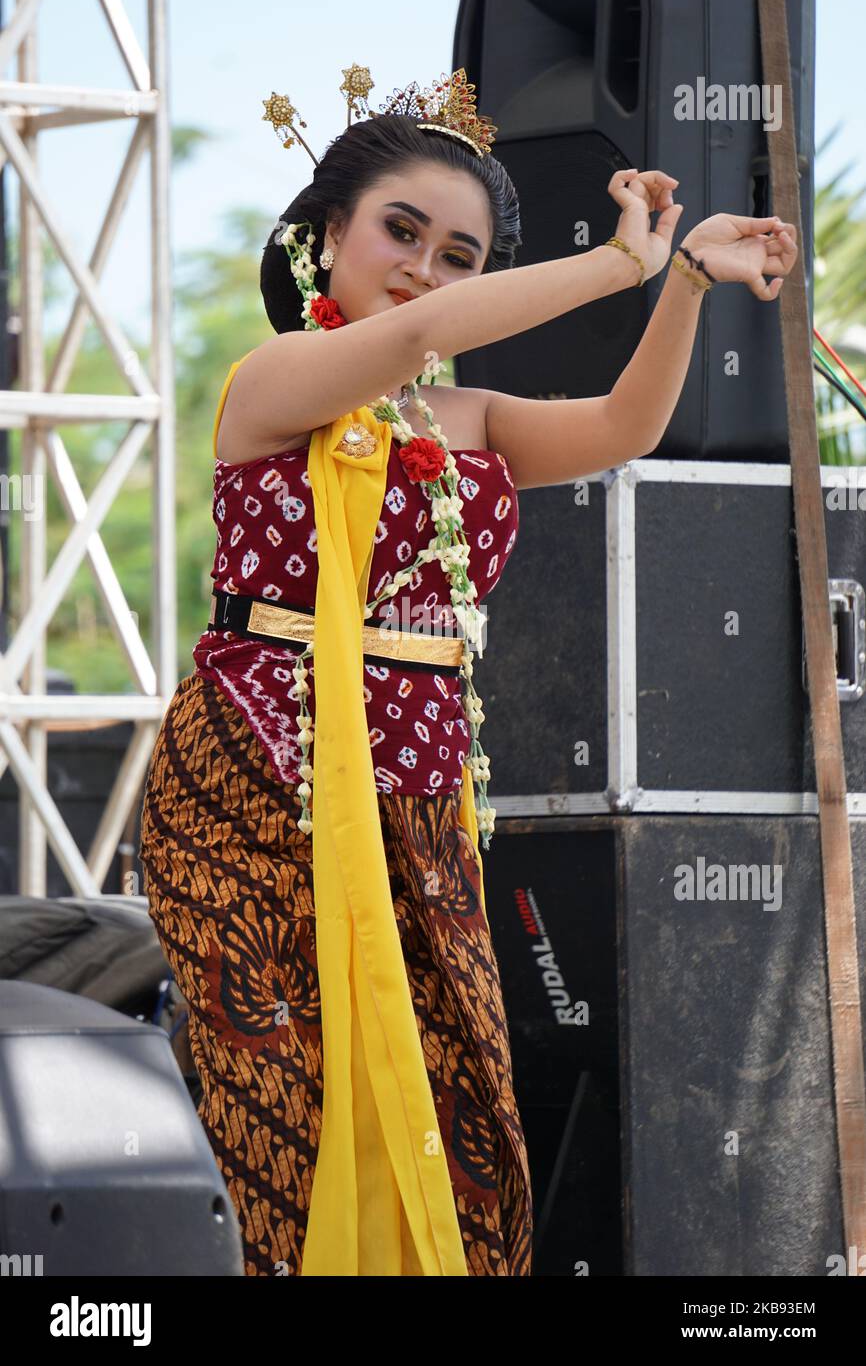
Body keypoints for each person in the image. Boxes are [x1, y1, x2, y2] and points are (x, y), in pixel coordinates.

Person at [138, 66, 797, 1278]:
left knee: (461, 1120)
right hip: (250, 788)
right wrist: (615, 263)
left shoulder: (470, 416)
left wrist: (687, 282)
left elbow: (620, 430)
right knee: (289, 1122)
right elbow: (419, 335)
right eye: (401, 233)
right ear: (325, 235)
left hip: (417, 798)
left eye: (459, 255)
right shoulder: (272, 384)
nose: (425, 273)